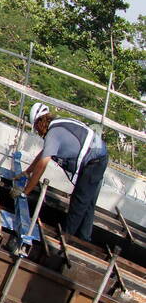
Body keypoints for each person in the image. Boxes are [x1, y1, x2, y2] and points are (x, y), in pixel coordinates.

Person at [22, 103, 109, 241]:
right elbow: (43, 154)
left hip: (94, 162)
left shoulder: (53, 134)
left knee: (79, 202)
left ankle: (66, 239)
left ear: (40, 122)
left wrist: (25, 192)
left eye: (35, 127)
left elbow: (42, 165)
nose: (36, 131)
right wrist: (27, 172)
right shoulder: (57, 125)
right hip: (99, 157)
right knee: (88, 202)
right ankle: (84, 239)